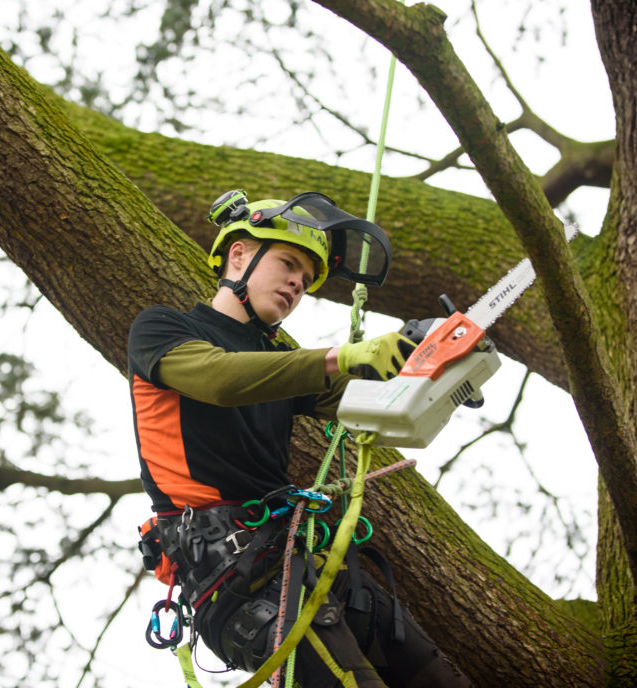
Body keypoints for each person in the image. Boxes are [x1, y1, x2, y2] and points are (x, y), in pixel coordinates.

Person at [129, 190, 471, 687]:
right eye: (289, 263)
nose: (297, 283)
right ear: (239, 254)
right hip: (236, 584)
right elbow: (221, 379)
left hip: (305, 565)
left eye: (307, 280)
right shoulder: (162, 329)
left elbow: (373, 399)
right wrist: (345, 355)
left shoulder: (281, 366)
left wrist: (430, 362)